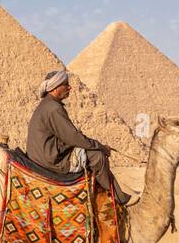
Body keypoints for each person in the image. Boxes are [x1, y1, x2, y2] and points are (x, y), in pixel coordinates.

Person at [26, 69, 132, 204]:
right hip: (51, 160)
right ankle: (117, 198)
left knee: (89, 150)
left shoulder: (47, 105)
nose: (70, 87)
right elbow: (73, 137)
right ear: (55, 88)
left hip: (43, 155)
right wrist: (100, 146)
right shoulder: (53, 108)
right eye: (65, 84)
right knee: (97, 157)